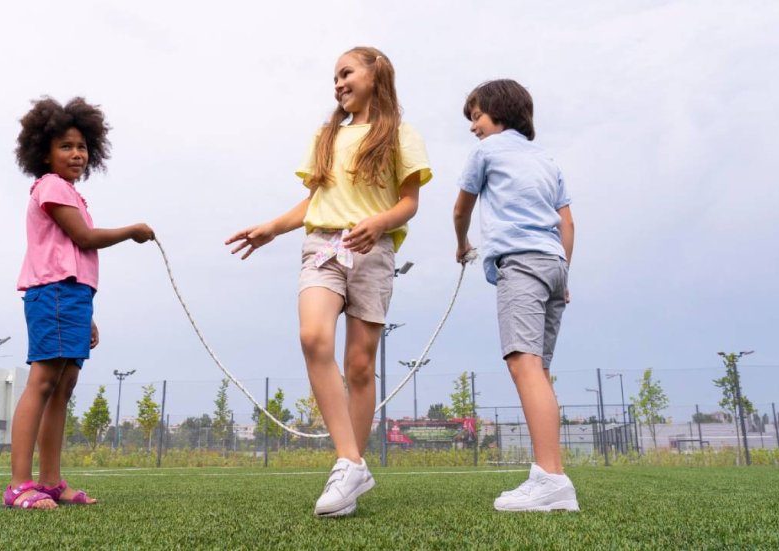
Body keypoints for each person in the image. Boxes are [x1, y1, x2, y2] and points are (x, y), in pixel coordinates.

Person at [226, 46, 432, 517]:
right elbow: (315, 202)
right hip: (323, 246)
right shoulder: (325, 136)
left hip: (373, 250)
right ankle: (349, 461)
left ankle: (348, 475)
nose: (338, 84)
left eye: (346, 73)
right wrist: (270, 229)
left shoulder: (401, 134)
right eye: (334, 78)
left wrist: (379, 224)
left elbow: (408, 203)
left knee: (359, 366)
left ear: (375, 74)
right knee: (312, 336)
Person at [4, 97, 154, 509]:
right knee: (44, 381)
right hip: (52, 293)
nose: (76, 154)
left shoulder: (70, 193)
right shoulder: (51, 186)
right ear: (45, 152)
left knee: (63, 387)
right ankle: (19, 485)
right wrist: (132, 231)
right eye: (66, 146)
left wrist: (87, 313)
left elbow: (75, 258)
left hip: (71, 296)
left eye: (82, 147)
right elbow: (84, 240)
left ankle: (51, 482)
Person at [452, 79, 578, 512]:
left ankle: (552, 480)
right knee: (538, 370)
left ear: (498, 112)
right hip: (553, 266)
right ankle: (550, 474)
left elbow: (460, 208)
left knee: (523, 364)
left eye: (477, 117)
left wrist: (460, 244)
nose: (474, 127)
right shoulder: (547, 160)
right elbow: (568, 225)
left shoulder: (487, 152)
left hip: (521, 263)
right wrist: (563, 276)